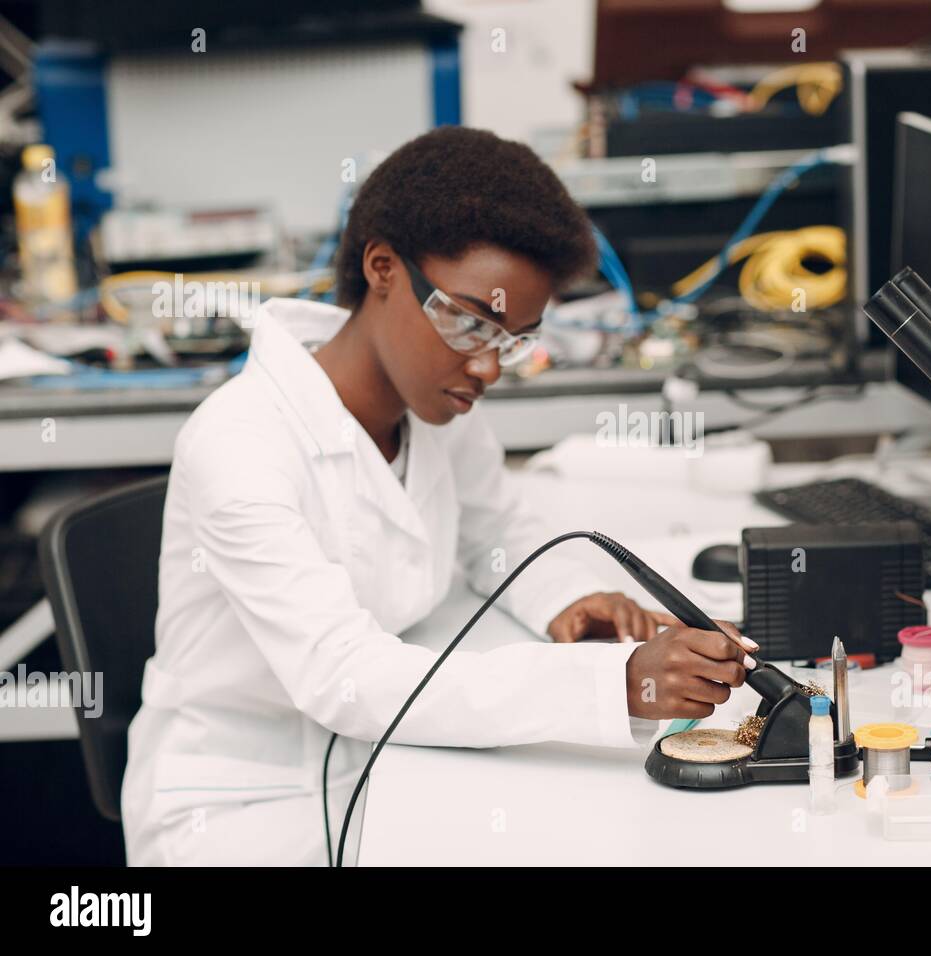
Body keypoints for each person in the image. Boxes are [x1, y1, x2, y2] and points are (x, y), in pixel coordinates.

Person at [121, 127, 757, 865]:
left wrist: (566, 599)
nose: (487, 366)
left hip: (387, 762)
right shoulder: (240, 441)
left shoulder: (435, 405)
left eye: (514, 339)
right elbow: (344, 675)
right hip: (244, 807)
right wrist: (615, 684)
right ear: (383, 268)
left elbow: (501, 533)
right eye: (466, 321)